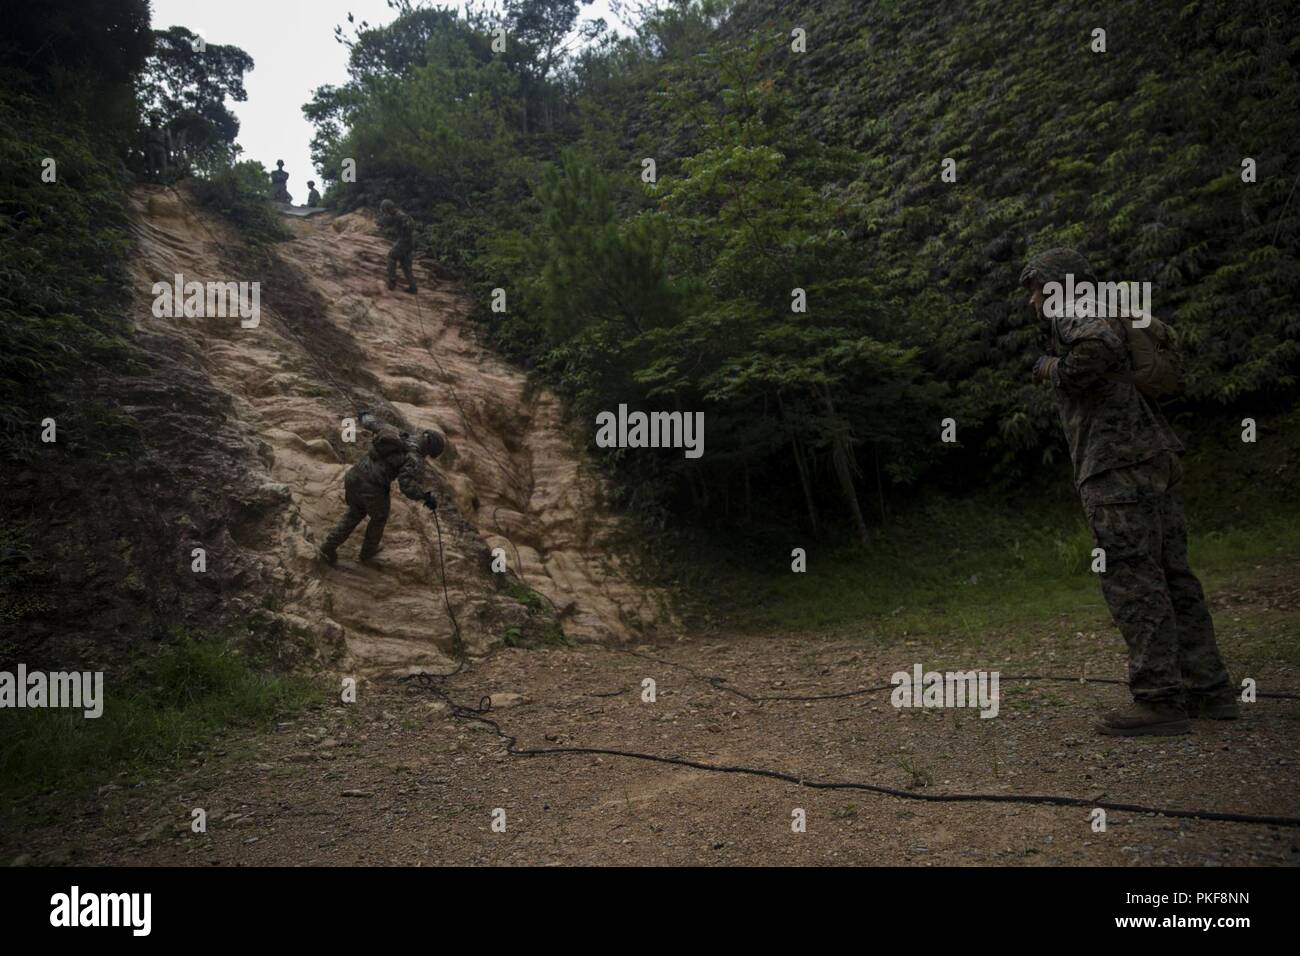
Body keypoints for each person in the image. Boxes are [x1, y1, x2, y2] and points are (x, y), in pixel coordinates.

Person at [1021, 247, 1236, 736]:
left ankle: (1160, 699)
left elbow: (1094, 349)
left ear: (1057, 284)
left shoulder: (1073, 311)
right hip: (1153, 458)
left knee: (1133, 580)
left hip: (1116, 468)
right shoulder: (1112, 306)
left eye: (1035, 288)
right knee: (1175, 575)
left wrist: (1050, 369)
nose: (1033, 302)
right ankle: (1210, 689)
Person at [319, 410, 446, 564]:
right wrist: (424, 496)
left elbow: (372, 423)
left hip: (354, 475)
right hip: (373, 488)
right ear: (430, 450)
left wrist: (363, 415)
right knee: (379, 518)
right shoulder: (415, 458)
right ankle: (367, 553)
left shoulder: (398, 434)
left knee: (354, 513)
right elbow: (407, 486)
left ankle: (328, 546)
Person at [379, 198, 417, 293]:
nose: (385, 212)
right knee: (405, 265)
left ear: (388, 208)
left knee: (391, 256)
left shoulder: (401, 215)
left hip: (405, 242)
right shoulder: (395, 215)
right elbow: (387, 223)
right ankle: (413, 288)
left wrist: (402, 241)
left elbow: (408, 229)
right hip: (408, 243)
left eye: (385, 210)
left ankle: (392, 281)